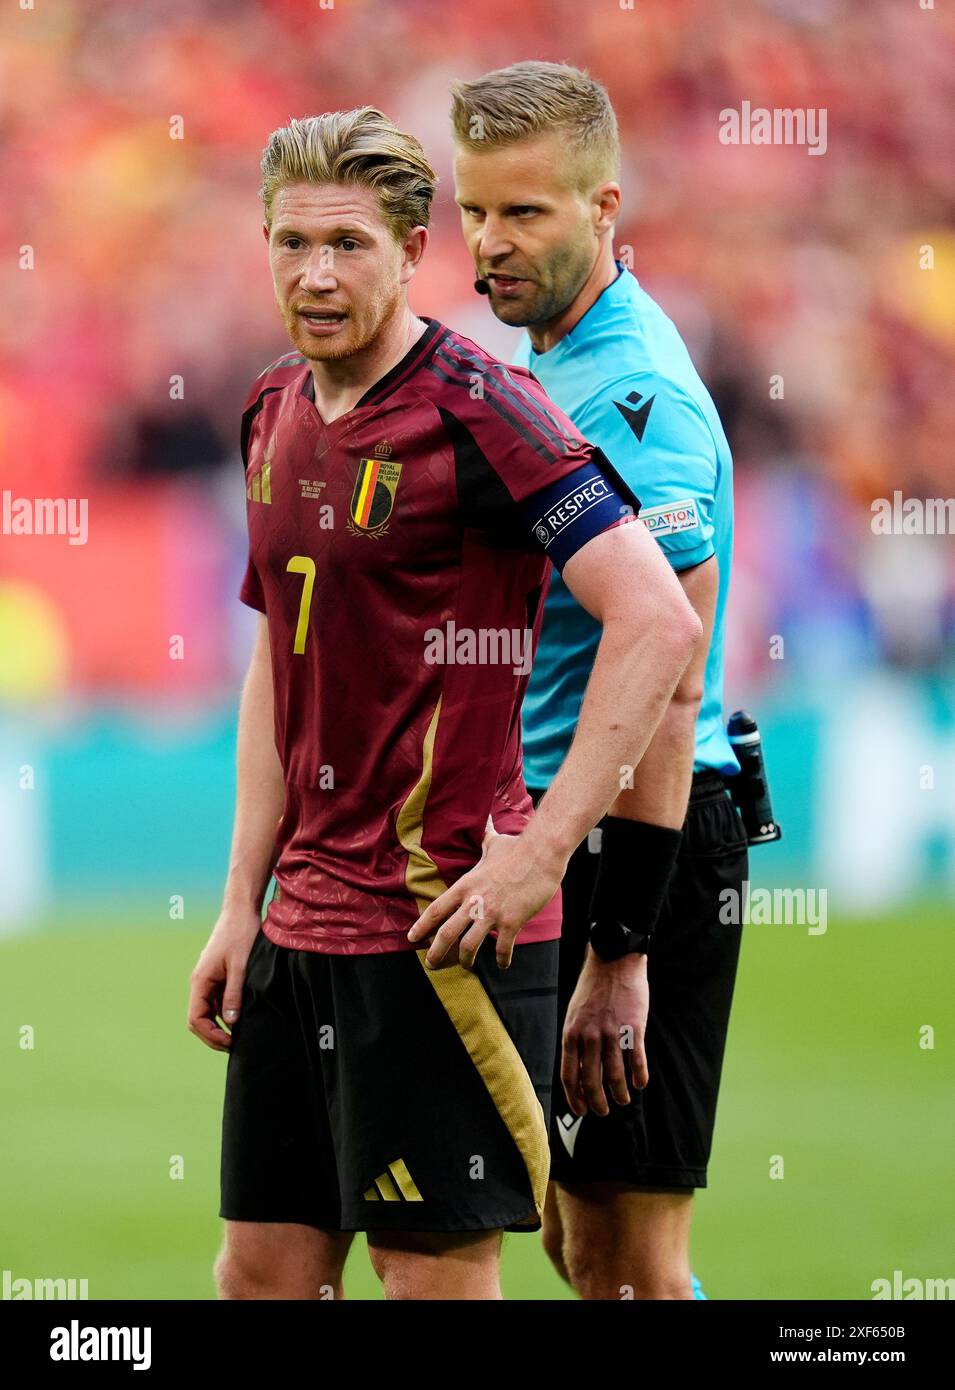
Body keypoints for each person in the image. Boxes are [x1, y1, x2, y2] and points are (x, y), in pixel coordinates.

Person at [187, 106, 701, 1301]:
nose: (316, 274)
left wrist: (539, 858)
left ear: (414, 248)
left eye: (350, 245)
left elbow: (657, 622)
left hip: (438, 935)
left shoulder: (484, 410)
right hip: (300, 930)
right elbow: (280, 658)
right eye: (292, 243)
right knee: (257, 1277)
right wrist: (235, 902)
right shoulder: (269, 410)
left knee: (431, 1285)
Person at [451, 61, 748, 1301]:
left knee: (629, 1263)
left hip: (643, 845)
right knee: (577, 1243)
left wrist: (621, 949)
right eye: (473, 211)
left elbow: (670, 671)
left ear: (604, 207)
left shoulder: (637, 401)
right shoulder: (548, 361)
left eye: (523, 213)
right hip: (568, 827)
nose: (488, 243)